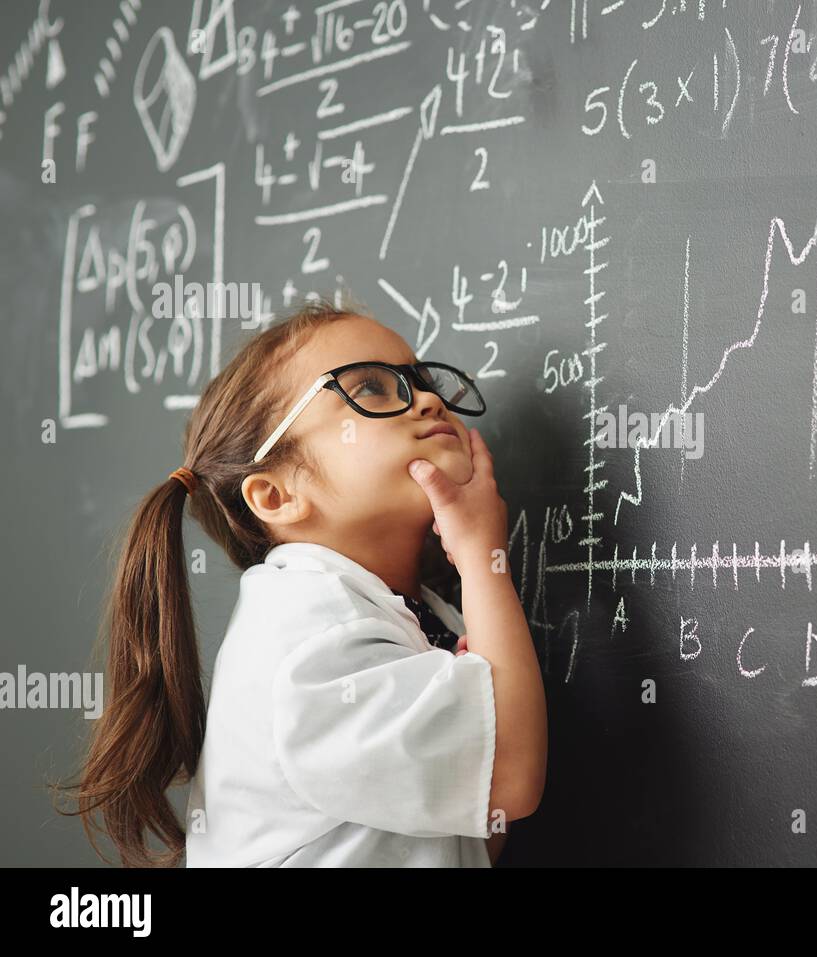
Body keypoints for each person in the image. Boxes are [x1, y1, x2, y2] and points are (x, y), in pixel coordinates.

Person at [56, 298, 547, 866]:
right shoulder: (310, 636)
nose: (430, 399)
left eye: (420, 379)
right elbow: (507, 779)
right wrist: (483, 553)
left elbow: (473, 823)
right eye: (370, 389)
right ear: (276, 495)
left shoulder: (423, 616)